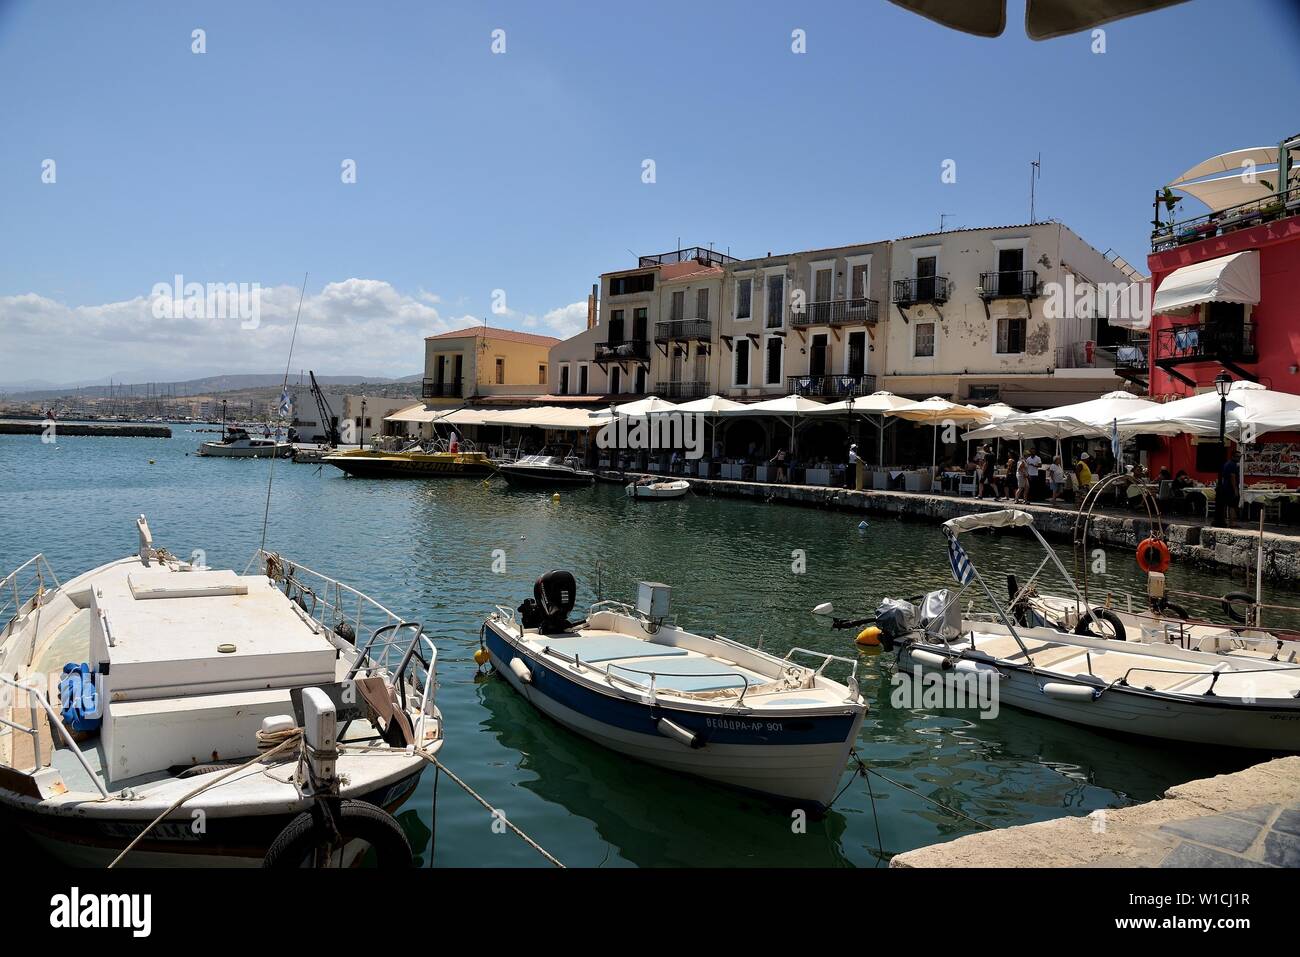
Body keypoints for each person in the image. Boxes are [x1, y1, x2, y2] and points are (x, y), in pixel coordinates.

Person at [1217, 447, 1240, 528]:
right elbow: (1232, 477)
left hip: (1225, 487)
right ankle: (1232, 522)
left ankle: (1227, 521)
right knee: (1232, 505)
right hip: (1230, 488)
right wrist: (1236, 489)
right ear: (1233, 456)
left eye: (1240, 456)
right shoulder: (1232, 465)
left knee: (1228, 505)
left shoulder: (1227, 464)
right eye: (1237, 456)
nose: (1239, 458)